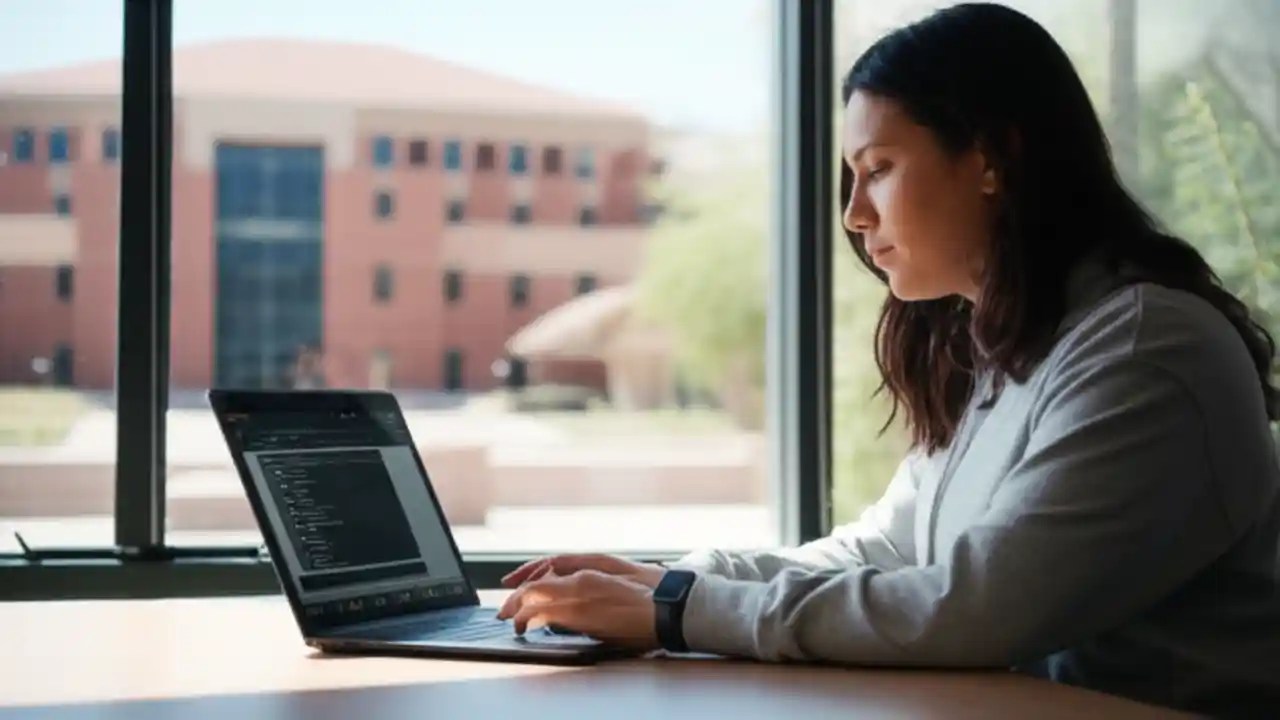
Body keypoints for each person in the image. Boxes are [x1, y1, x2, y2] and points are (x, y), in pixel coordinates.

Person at [497, 3, 1280, 715]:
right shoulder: (1010, 344)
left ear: (992, 157)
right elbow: (888, 549)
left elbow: (973, 610)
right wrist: (674, 578)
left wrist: (676, 610)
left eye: (878, 169)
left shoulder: (1146, 350)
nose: (853, 213)